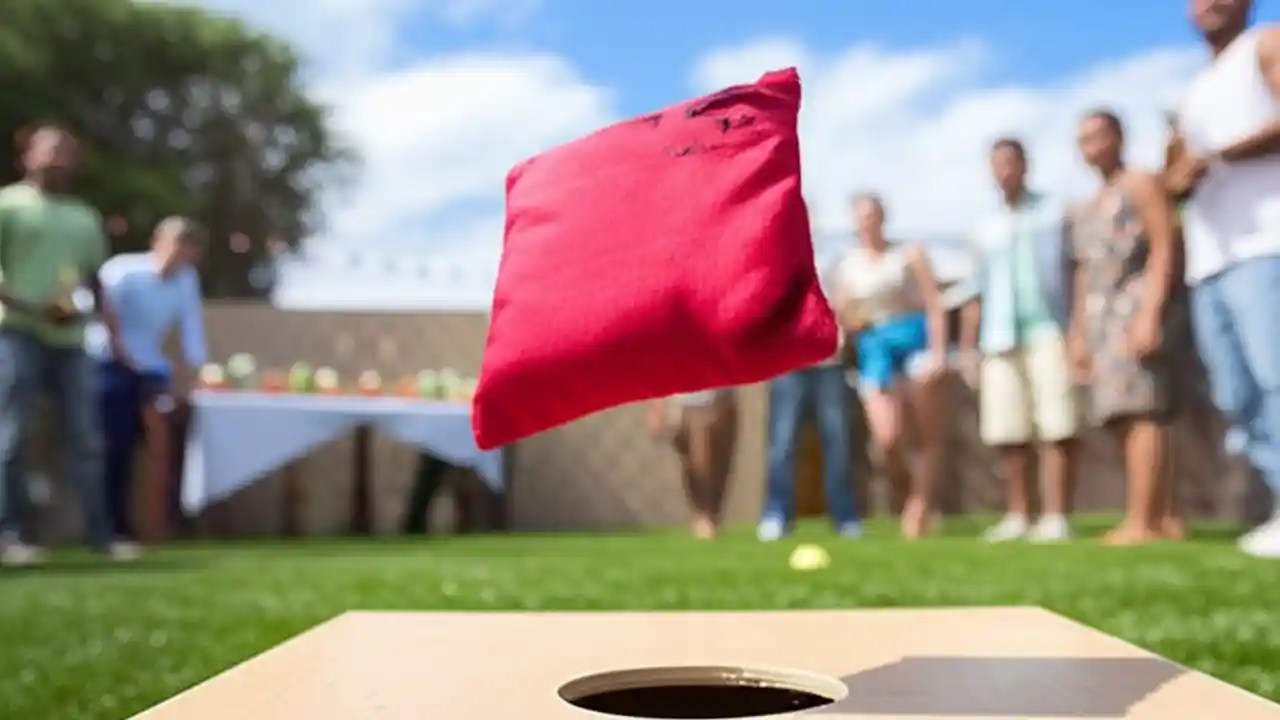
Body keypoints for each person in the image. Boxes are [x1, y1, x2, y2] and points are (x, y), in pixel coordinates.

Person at [1166, 0, 1280, 557]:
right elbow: (1174, 177)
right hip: (1209, 262)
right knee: (1238, 393)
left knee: (1275, 378)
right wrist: (1180, 176)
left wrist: (1216, 156)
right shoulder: (1194, 90)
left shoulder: (1267, 44)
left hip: (1267, 246)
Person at [0, 123, 129, 566]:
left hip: (71, 340)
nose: (58, 158)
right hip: (16, 332)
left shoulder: (84, 217)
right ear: (28, 156)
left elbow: (94, 281)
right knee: (11, 436)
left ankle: (101, 537)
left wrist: (110, 333)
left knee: (86, 439)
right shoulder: (7, 205)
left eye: (66, 152)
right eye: (50, 150)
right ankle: (12, 535)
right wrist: (33, 307)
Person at [1069, 110, 1181, 546]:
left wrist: (1151, 312)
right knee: (1120, 415)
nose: (1091, 145)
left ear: (1119, 137)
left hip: (1134, 307)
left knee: (1142, 411)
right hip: (1101, 319)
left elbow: (1164, 244)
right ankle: (1162, 517)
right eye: (1083, 139)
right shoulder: (1088, 205)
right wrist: (1078, 333)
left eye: (1098, 135)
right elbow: (1083, 272)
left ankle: (1143, 521)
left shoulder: (1141, 183)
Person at [960, 137, 1079, 544]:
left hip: (1049, 329)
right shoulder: (983, 228)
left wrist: (1077, 329)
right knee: (1007, 430)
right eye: (997, 164)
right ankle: (1018, 515)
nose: (1004, 171)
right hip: (998, 337)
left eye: (1011, 162)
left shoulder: (1053, 213)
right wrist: (968, 348)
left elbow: (1074, 270)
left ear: (1025, 165)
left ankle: (1057, 517)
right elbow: (974, 292)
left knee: (1057, 424)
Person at [829, 194, 949, 539]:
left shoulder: (909, 255)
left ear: (883, 217)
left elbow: (934, 303)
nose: (867, 222)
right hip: (875, 349)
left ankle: (920, 506)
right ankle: (907, 494)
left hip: (913, 342)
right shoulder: (847, 265)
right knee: (888, 439)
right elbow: (840, 311)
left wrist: (939, 352)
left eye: (872, 215)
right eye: (861, 217)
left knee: (925, 433)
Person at [90, 217, 207, 552]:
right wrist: (122, 354)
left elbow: (192, 329)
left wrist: (194, 374)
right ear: (158, 242)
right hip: (109, 365)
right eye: (178, 246)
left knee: (159, 447)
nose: (182, 255)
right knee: (115, 446)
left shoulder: (187, 280)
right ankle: (112, 526)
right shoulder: (122, 271)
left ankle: (159, 524)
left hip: (152, 371)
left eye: (190, 249)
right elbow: (102, 315)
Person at [757, 261, 862, 542]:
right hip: (790, 365)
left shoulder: (839, 260)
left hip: (830, 364)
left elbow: (849, 306)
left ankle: (845, 516)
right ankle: (777, 514)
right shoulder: (781, 260)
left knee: (837, 443)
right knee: (782, 443)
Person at [647, 389, 738, 539]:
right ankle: (702, 514)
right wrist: (657, 408)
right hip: (686, 402)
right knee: (696, 463)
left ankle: (710, 515)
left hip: (721, 398)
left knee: (717, 462)